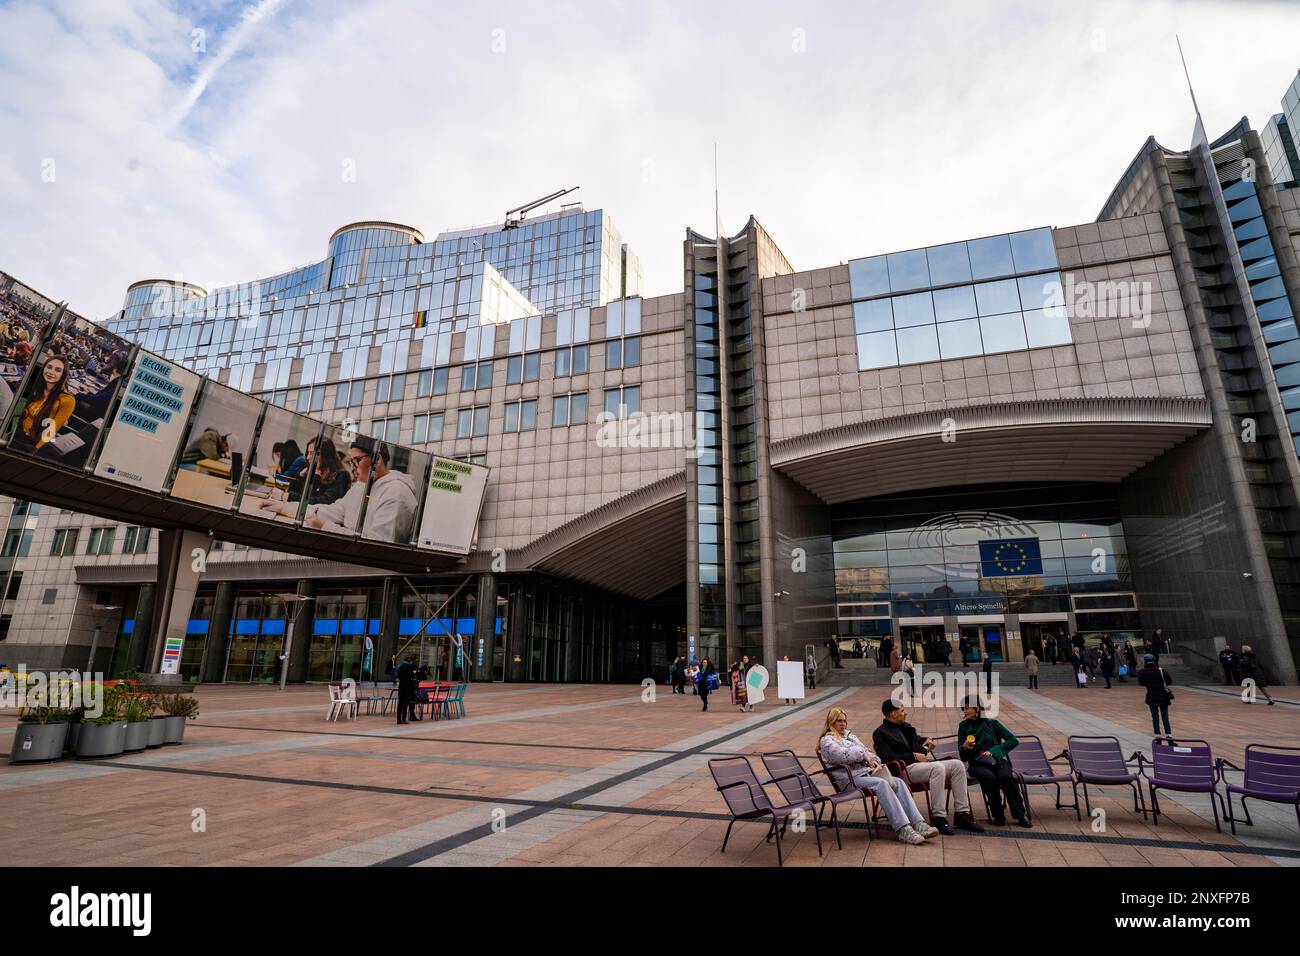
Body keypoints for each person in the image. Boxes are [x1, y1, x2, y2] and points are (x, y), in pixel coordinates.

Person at [817, 706, 938, 845]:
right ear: (831, 722)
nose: (843, 724)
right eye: (839, 721)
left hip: (866, 774)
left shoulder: (850, 736)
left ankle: (919, 823)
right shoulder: (827, 741)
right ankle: (903, 828)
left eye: (844, 721)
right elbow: (841, 755)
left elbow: (870, 753)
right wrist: (863, 755)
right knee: (882, 784)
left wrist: (873, 761)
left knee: (897, 781)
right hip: (849, 780)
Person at [873, 700, 983, 834]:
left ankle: (962, 814)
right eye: (902, 711)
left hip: (920, 767)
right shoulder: (880, 733)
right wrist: (913, 756)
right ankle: (939, 818)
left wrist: (926, 740)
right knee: (937, 768)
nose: (905, 713)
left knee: (957, 765)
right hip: (903, 771)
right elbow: (888, 758)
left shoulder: (905, 726)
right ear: (893, 713)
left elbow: (917, 739)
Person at [304, 439, 417, 542]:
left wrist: (325, 526)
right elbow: (335, 510)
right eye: (351, 462)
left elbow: (377, 545)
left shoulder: (396, 494)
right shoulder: (362, 485)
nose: (353, 467)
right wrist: (291, 507)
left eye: (357, 460)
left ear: (376, 460)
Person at [957, 698, 1030, 828]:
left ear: (977, 709)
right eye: (964, 708)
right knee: (989, 778)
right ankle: (998, 814)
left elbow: (1013, 740)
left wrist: (994, 751)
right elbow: (961, 749)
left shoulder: (992, 723)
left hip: (996, 760)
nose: (965, 711)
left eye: (968, 708)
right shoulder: (963, 726)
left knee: (1007, 777)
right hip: (977, 763)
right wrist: (964, 747)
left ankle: (1020, 814)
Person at [16, 355, 74, 453]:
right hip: (18, 428)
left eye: (58, 370)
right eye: (49, 367)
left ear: (63, 375)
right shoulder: (38, 386)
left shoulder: (67, 400)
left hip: (30, 442)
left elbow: (51, 431)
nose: (51, 372)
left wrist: (35, 451)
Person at [1136, 653, 1174, 737]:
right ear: (1154, 661)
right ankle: (1168, 735)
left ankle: (1157, 735)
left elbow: (1141, 683)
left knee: (1155, 717)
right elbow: (1169, 681)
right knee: (1165, 717)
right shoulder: (1161, 670)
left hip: (1151, 696)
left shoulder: (1142, 672)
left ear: (1145, 662)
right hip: (1163, 696)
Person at [395, 655, 417, 725]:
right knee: (405, 703)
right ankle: (404, 719)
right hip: (407, 687)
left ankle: (398, 719)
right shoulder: (409, 667)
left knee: (400, 703)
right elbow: (413, 676)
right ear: (409, 661)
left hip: (401, 686)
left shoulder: (400, 667)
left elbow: (397, 675)